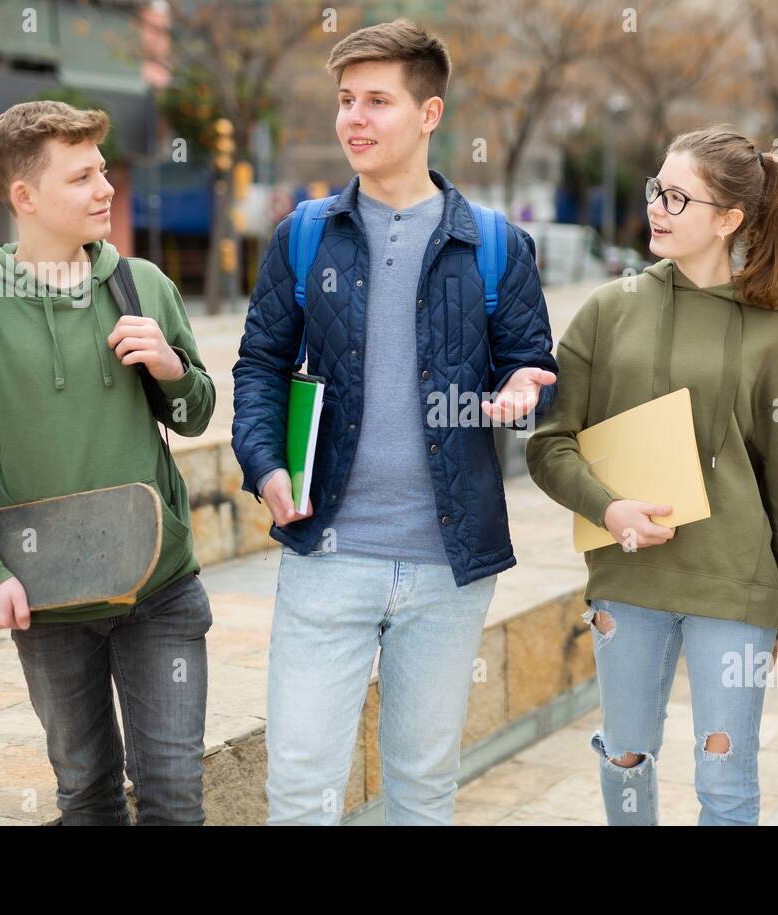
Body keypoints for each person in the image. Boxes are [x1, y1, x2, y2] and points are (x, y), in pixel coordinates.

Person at [231, 19, 557, 826]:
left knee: (422, 788)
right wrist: (265, 465)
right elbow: (258, 367)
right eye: (346, 100)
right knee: (302, 789)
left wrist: (523, 389)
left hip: (449, 566)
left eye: (378, 100)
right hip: (326, 554)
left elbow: (536, 369)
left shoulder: (494, 245)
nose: (355, 119)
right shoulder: (303, 237)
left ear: (430, 113)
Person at [0, 100, 217, 825]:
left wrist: (171, 367)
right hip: (48, 600)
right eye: (82, 177)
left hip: (159, 591)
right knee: (87, 798)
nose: (105, 188)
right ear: (25, 196)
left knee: (174, 799)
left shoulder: (145, 287)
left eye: (103, 170)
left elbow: (196, 412)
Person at [526, 125, 778, 825]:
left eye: (679, 198)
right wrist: (610, 508)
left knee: (724, 772)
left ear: (729, 219)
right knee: (625, 757)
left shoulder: (777, 335)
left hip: (733, 583)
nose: (657, 206)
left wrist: (773, 602)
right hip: (627, 576)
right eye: (658, 188)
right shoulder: (608, 308)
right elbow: (550, 443)